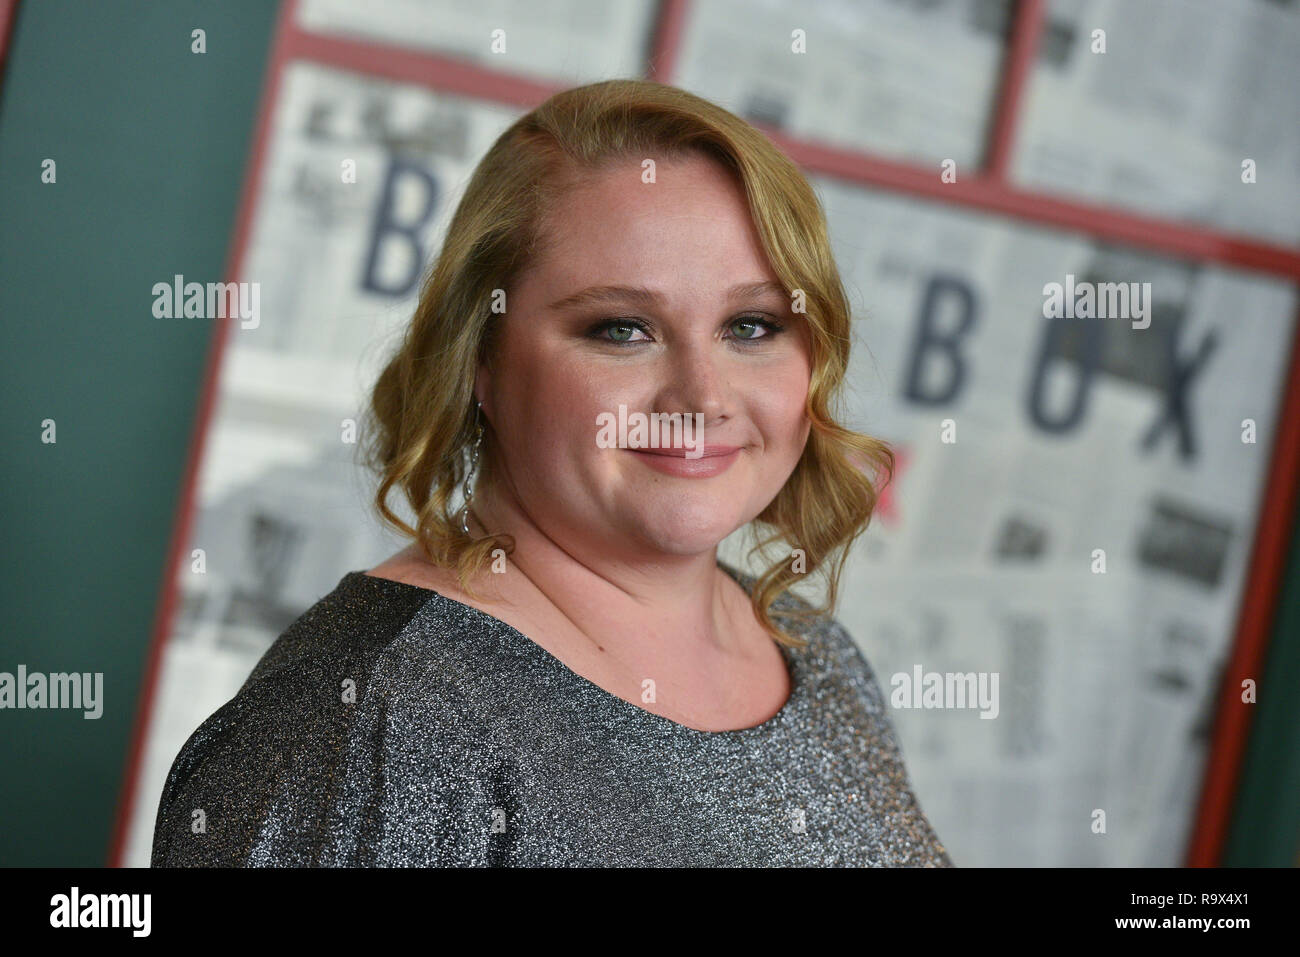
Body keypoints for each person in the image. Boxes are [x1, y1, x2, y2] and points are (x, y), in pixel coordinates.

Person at [150, 78, 953, 867]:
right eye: (621, 329)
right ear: (482, 361)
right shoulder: (374, 720)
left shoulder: (817, 655)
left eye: (752, 325)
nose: (702, 396)